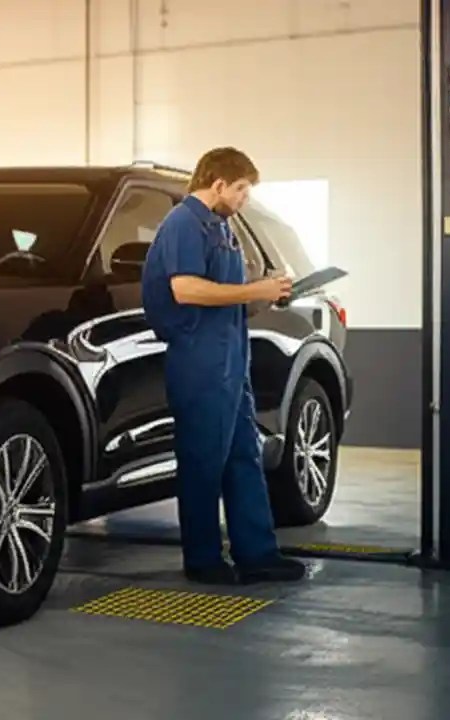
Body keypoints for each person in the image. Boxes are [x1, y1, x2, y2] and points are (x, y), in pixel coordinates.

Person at [141, 147, 307, 585]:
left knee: (243, 457)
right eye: (240, 190)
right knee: (203, 461)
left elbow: (225, 296)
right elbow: (187, 289)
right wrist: (252, 289)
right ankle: (203, 559)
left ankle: (258, 554)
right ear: (218, 184)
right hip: (199, 360)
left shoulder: (221, 227)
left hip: (230, 357)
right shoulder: (183, 224)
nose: (243, 200)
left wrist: (266, 294)